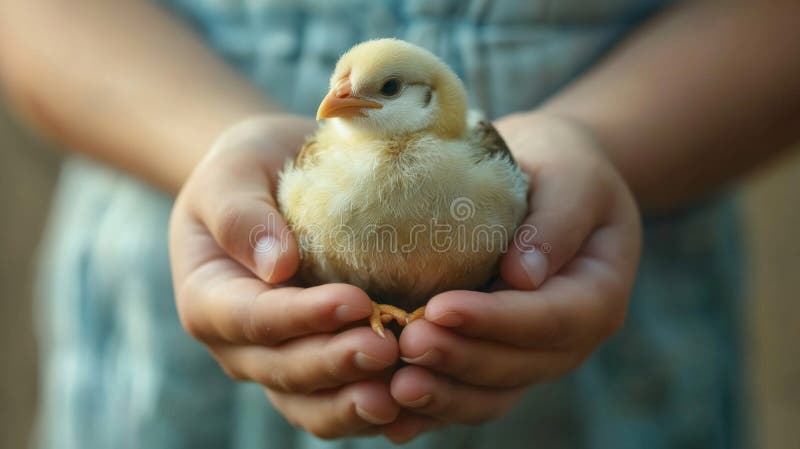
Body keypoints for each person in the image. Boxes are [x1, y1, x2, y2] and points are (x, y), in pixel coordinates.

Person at [1, 1, 798, 448]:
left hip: (600, 378)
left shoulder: (481, 165)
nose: (340, 104)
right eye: (347, 89)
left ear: (428, 101)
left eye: (378, 91)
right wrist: (212, 148)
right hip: (180, 373)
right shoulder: (319, 163)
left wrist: (602, 147)